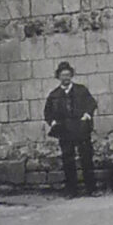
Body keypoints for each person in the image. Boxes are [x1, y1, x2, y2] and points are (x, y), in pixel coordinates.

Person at [43, 62, 97, 196]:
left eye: (68, 75)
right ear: (58, 77)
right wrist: (53, 122)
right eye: (62, 75)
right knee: (68, 160)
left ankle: (91, 189)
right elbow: (47, 113)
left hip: (81, 128)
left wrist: (87, 115)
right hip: (65, 130)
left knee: (86, 158)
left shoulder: (81, 90)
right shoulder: (54, 95)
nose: (65, 78)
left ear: (71, 75)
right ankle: (72, 190)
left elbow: (92, 104)